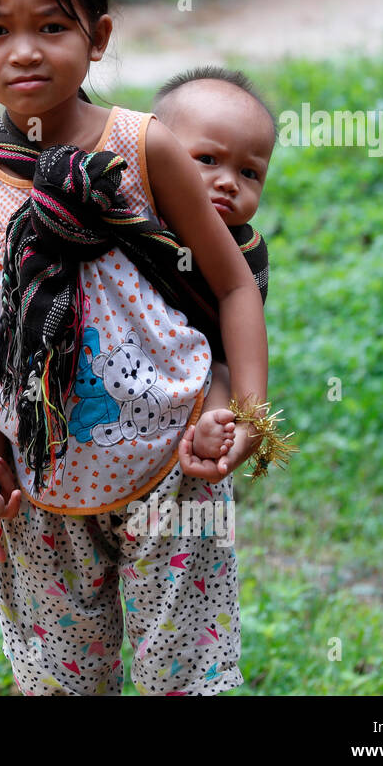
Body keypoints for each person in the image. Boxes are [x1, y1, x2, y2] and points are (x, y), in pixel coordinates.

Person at [0, 0, 271, 695]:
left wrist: (245, 412)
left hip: (174, 467)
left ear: (99, 35)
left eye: (52, 25)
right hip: (37, 489)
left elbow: (233, 283)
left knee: (188, 679)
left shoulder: (145, 147)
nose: (25, 50)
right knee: (60, 683)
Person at [152, 66, 276, 475]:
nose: (228, 183)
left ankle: (213, 426)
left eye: (249, 172)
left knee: (221, 369)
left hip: (199, 363)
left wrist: (248, 413)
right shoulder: (132, 217)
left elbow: (234, 341)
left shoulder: (245, 251)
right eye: (207, 160)